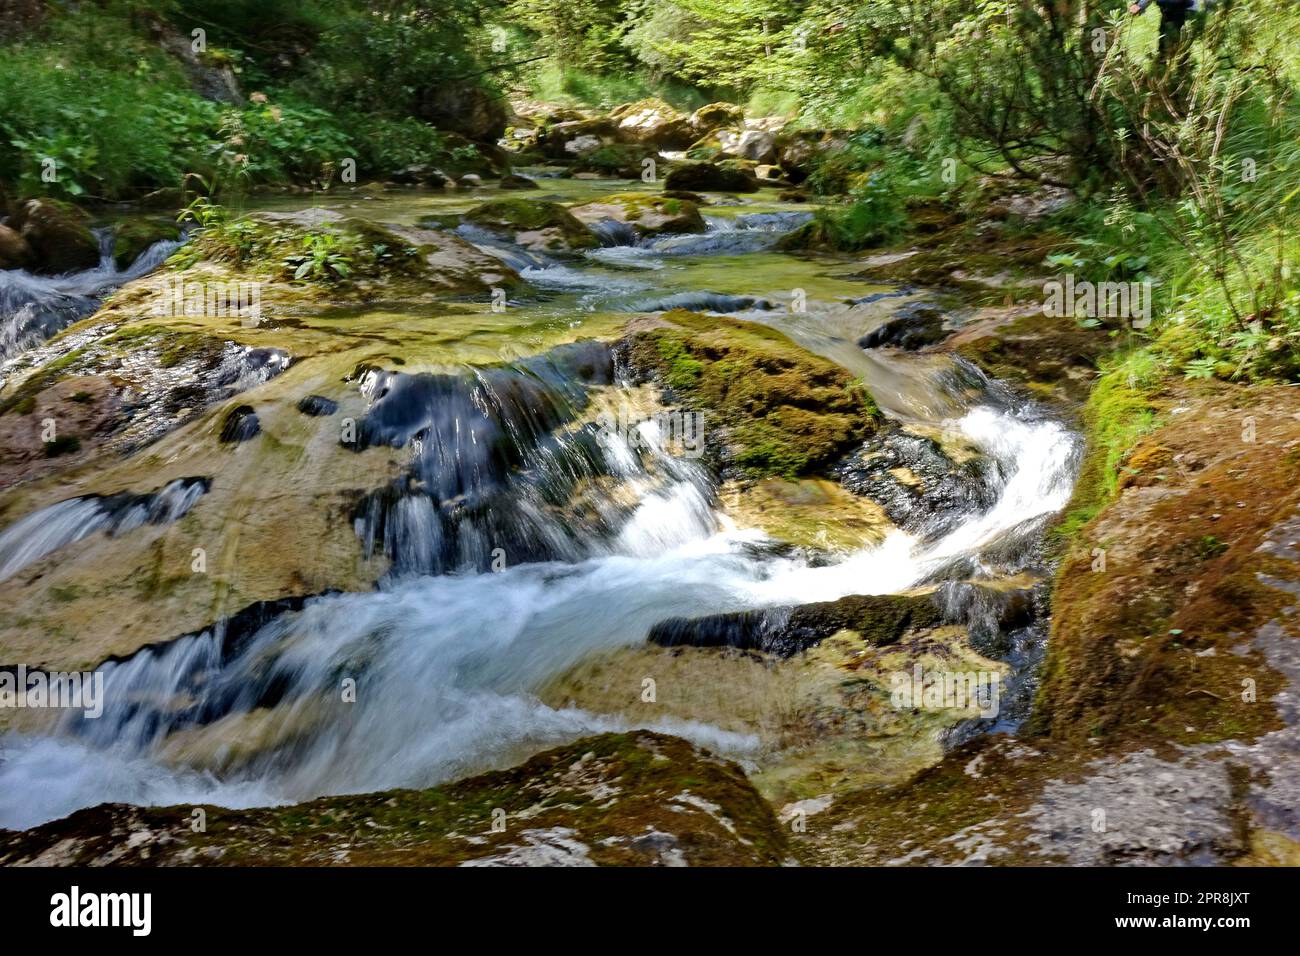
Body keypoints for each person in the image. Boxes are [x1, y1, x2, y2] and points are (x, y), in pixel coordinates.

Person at [1128, 0, 1197, 58]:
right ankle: (1163, 59)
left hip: (1182, 10)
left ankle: (1177, 60)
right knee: (1164, 36)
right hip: (1167, 10)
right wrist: (1139, 5)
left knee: (1177, 39)